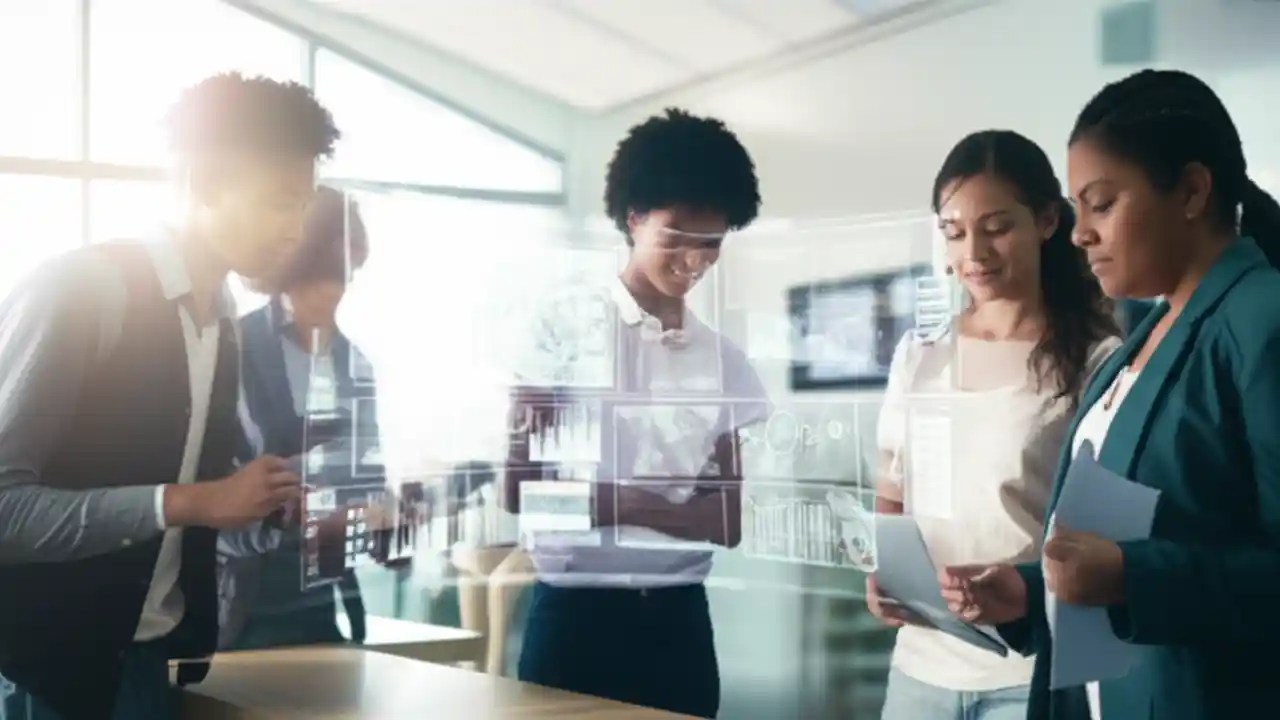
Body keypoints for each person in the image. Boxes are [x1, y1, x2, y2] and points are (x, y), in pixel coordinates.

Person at [940, 69, 1280, 720]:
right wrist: (1027, 590)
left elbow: (1152, 566)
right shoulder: (1146, 332)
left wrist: (1133, 578)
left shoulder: (1261, 322)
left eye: (1101, 204)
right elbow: (1135, 539)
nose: (1079, 233)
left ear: (1190, 190)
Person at [0, 73, 338, 720]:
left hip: (150, 660)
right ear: (204, 182)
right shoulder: (81, 290)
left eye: (304, 203)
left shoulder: (223, 317)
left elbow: (183, 503)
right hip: (47, 671)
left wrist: (255, 501)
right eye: (279, 201)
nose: (297, 230)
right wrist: (193, 501)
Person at [505, 108, 769, 718]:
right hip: (575, 622)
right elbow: (521, 488)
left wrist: (611, 502)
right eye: (677, 236)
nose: (695, 260)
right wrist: (666, 505)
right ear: (633, 218)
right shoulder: (559, 332)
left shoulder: (724, 360)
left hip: (679, 626)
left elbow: (725, 520)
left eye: (712, 242)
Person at [869, 130, 1119, 720]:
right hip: (921, 666)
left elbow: (1108, 532)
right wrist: (883, 573)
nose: (973, 252)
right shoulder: (920, 355)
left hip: (1028, 674)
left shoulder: (1096, 360)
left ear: (1047, 221)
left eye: (997, 226)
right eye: (954, 232)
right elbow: (892, 492)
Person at [217, 185, 377, 652]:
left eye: (344, 275)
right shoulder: (230, 349)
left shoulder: (354, 364)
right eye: (321, 273)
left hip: (317, 601)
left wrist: (375, 510)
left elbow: (366, 475)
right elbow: (197, 480)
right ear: (287, 267)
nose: (333, 289)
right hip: (233, 602)